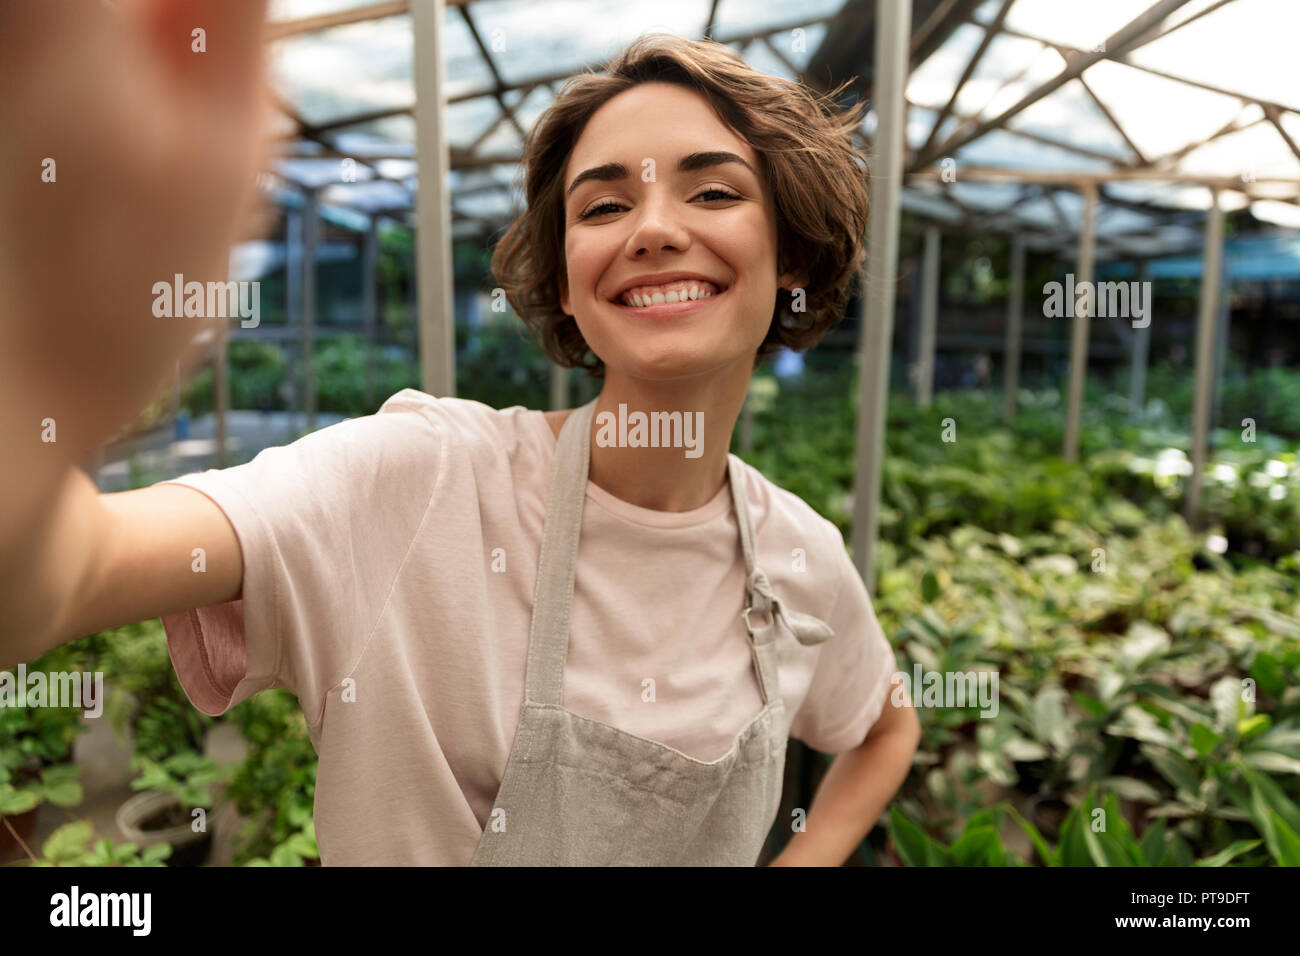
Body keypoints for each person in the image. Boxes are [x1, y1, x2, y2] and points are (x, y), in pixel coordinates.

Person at [0, 2, 918, 866]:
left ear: (792, 252)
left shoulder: (798, 554)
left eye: (713, 192)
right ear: (566, 281)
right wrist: (45, 373)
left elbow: (886, 726)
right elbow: (65, 576)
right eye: (602, 207)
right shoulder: (422, 480)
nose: (654, 229)